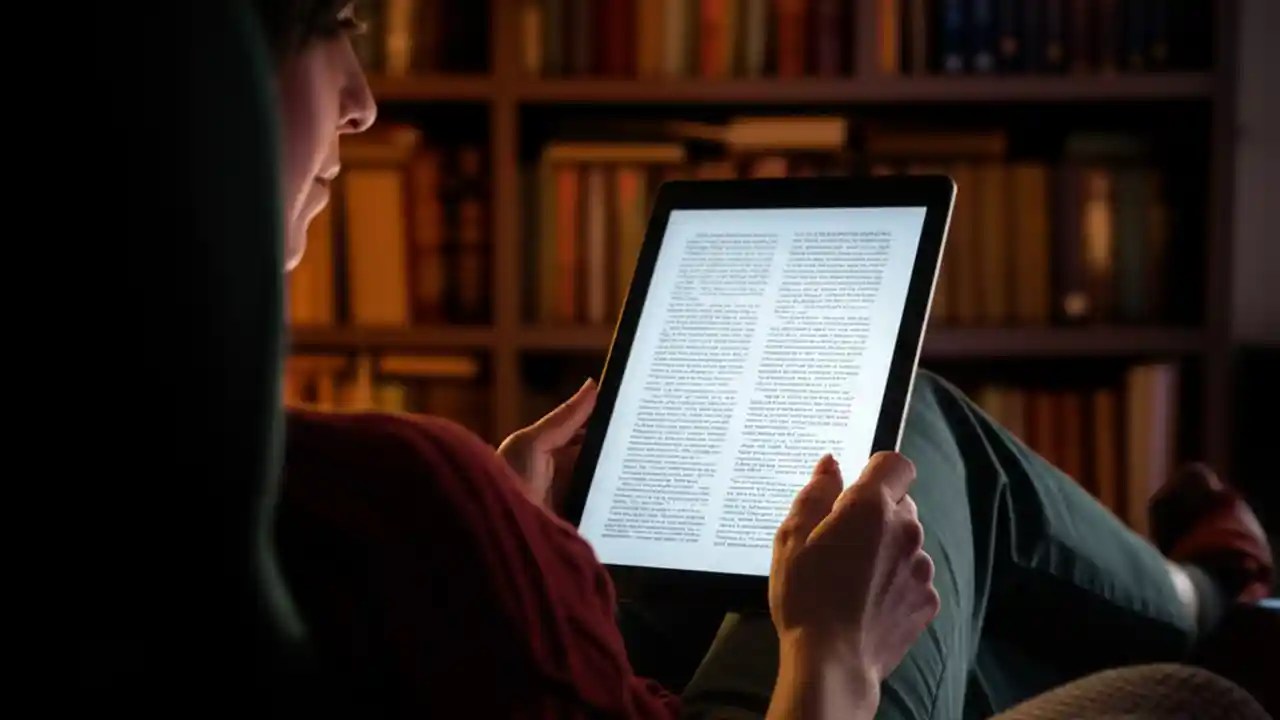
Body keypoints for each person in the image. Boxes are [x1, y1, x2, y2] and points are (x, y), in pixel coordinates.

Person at [258, 1, 1276, 717]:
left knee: (844, 512)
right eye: (332, 29)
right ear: (215, 84)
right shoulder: (386, 483)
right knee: (895, 441)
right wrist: (829, 652)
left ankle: (1201, 591)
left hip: (627, 665)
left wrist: (515, 554)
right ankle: (1208, 597)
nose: (363, 101)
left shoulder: (237, 470)